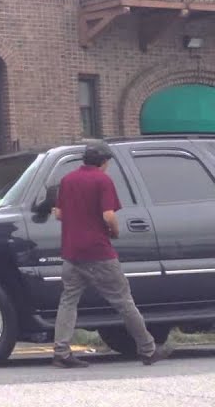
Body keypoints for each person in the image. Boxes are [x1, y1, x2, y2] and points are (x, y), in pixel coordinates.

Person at [51, 140, 168, 368]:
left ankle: (61, 352)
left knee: (68, 301)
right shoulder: (102, 180)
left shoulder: (67, 180)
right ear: (104, 162)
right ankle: (148, 349)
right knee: (123, 300)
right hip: (98, 252)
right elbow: (108, 216)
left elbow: (58, 214)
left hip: (71, 252)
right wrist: (114, 232)